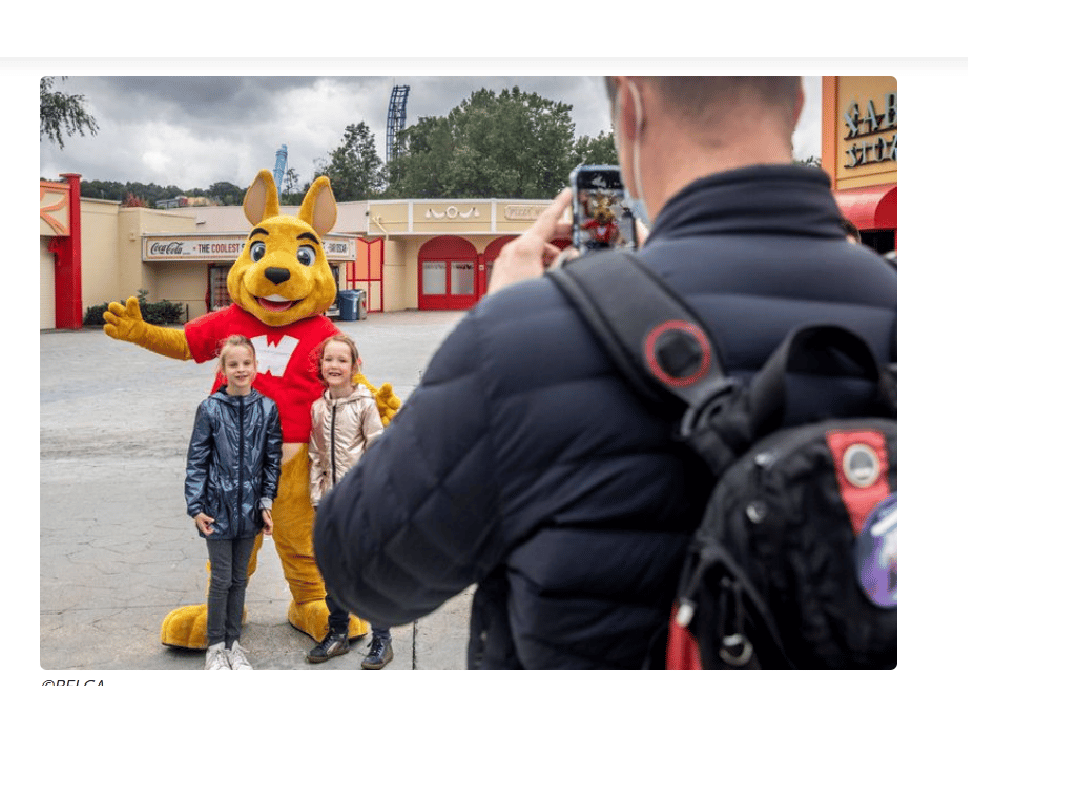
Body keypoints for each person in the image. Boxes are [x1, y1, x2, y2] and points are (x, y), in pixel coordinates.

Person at [313, 76, 898, 668]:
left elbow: (363, 570)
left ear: (633, 107)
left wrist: (493, 325)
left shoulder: (521, 336)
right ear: (797, 103)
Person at [186, 334, 284, 670]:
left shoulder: (267, 409)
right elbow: (197, 461)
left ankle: (233, 644)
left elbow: (273, 460)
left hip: (251, 511)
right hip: (217, 509)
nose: (240, 369)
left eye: (246, 363)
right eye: (233, 364)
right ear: (222, 369)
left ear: (256, 367)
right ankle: (216, 647)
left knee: (240, 579)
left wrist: (266, 502)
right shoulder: (210, 409)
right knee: (222, 579)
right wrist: (196, 507)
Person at [305, 334, 392, 669]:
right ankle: (338, 632)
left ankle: (382, 639)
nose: (335, 365)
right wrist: (318, 496)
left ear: (356, 365)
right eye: (329, 359)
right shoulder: (318, 407)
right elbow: (316, 457)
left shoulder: (365, 404)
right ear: (321, 365)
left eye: (342, 360)